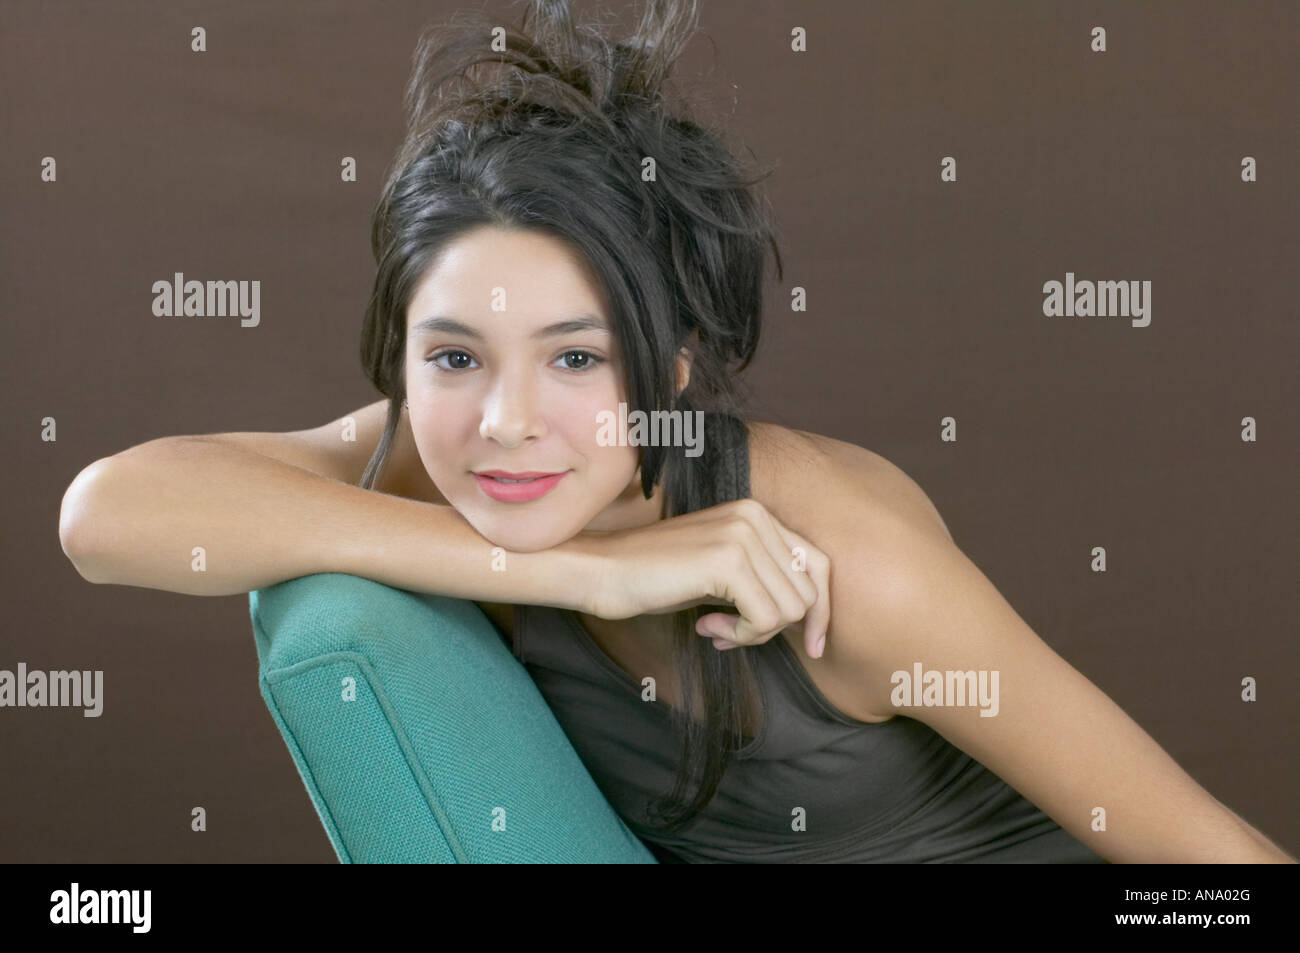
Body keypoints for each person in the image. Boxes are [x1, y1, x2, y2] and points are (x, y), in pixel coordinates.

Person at [58, 0, 1293, 864]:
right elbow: (104, 517)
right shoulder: (455, 467)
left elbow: (1211, 864)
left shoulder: (842, 561)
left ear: (681, 363)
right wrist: (582, 564)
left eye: (578, 356)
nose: (504, 422)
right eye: (451, 355)